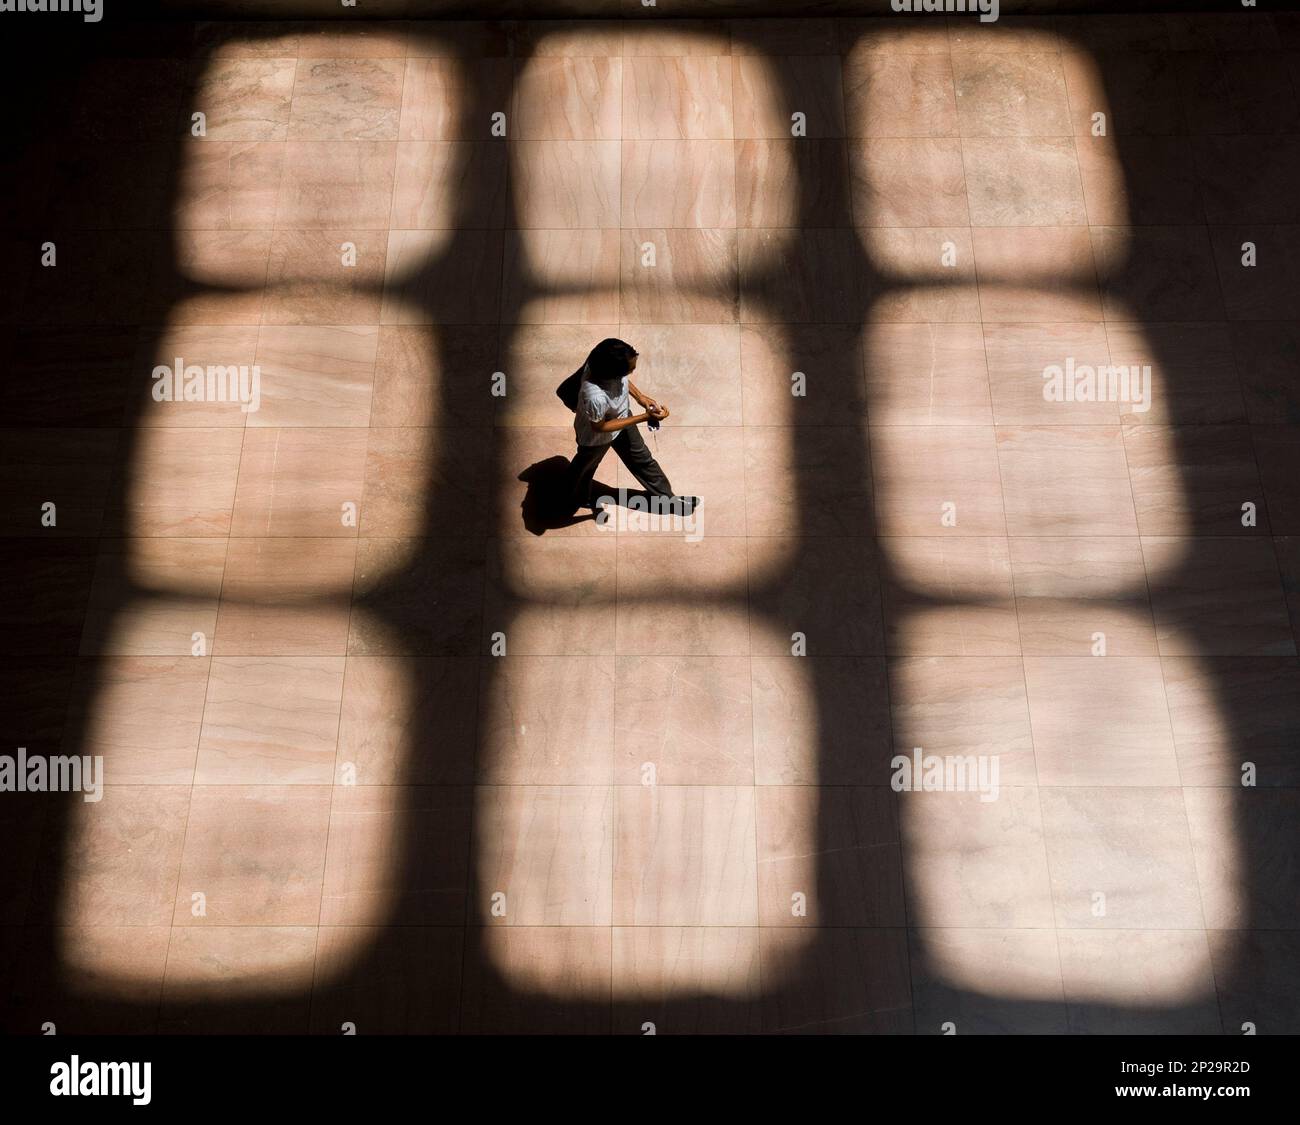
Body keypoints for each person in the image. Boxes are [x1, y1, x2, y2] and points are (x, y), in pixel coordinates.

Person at [564, 338, 699, 518]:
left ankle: (668, 500)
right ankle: (574, 496)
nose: (632, 372)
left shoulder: (600, 361)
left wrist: (640, 397)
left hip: (622, 419)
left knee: (643, 460)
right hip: (596, 438)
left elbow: (623, 380)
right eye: (630, 369)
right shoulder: (594, 395)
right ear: (611, 372)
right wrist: (644, 417)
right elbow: (600, 426)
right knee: (585, 467)